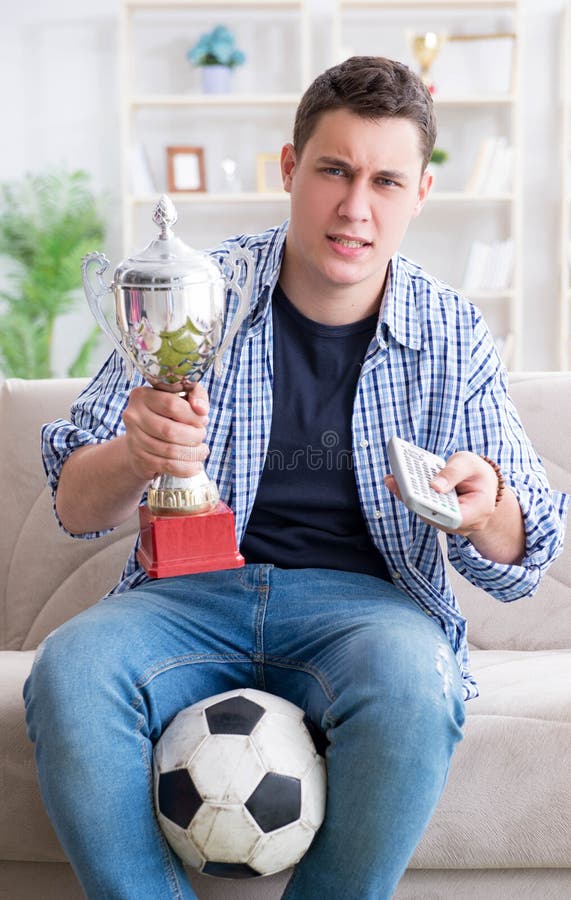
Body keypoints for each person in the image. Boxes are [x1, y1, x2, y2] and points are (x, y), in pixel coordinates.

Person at [24, 56, 567, 900]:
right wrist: (137, 451)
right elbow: (72, 503)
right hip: (186, 601)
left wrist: (481, 505)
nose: (355, 208)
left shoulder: (450, 329)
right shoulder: (199, 290)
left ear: (419, 194)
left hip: (368, 610)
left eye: (386, 181)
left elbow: (524, 547)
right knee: (70, 669)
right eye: (334, 171)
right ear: (289, 168)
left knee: (411, 686)